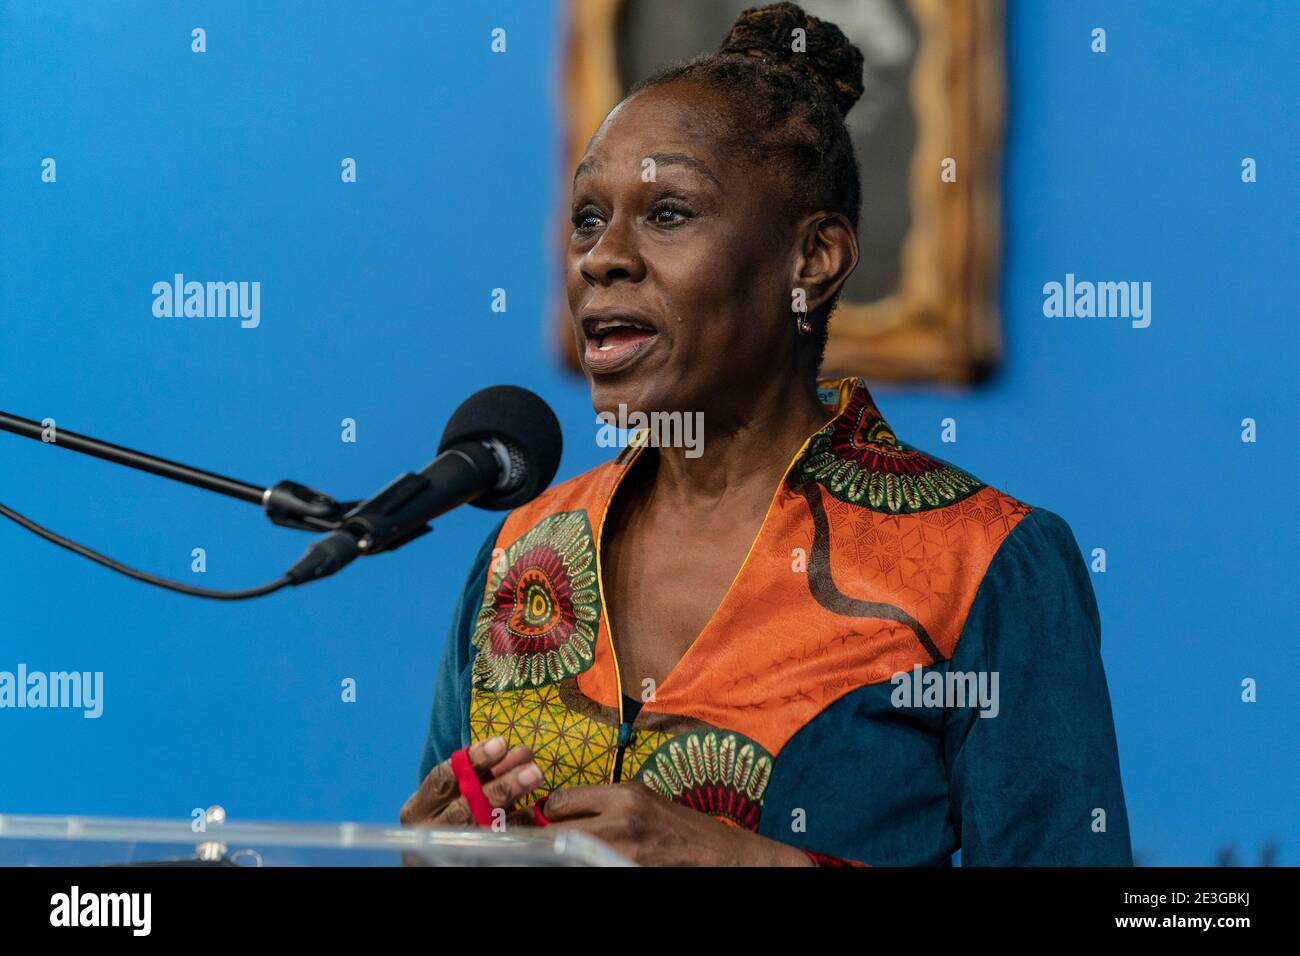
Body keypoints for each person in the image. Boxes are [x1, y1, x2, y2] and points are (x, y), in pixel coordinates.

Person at [401, 2, 1131, 866]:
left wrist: (746, 860)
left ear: (812, 260)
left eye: (667, 212)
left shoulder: (983, 567)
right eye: (588, 218)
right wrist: (433, 856)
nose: (602, 257)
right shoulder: (522, 554)